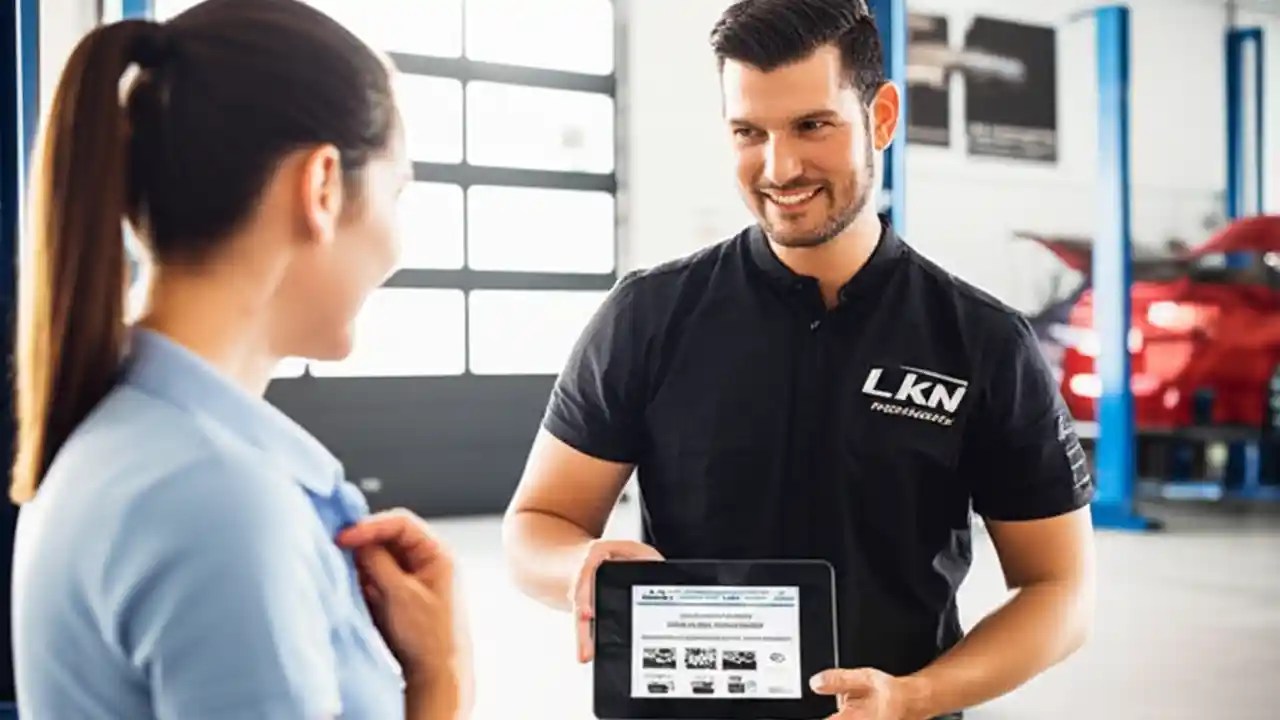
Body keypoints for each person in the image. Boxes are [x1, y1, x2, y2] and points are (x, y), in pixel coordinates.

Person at [501, 1, 1096, 718]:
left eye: (813, 125)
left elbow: (1060, 588)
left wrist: (913, 697)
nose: (779, 168)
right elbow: (538, 522)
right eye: (749, 132)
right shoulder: (648, 317)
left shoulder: (982, 342)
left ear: (881, 118)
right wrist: (576, 565)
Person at [9, 1, 471, 717]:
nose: (399, 246)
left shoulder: (144, 447)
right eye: (397, 192)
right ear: (322, 187)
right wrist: (442, 678)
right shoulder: (218, 501)